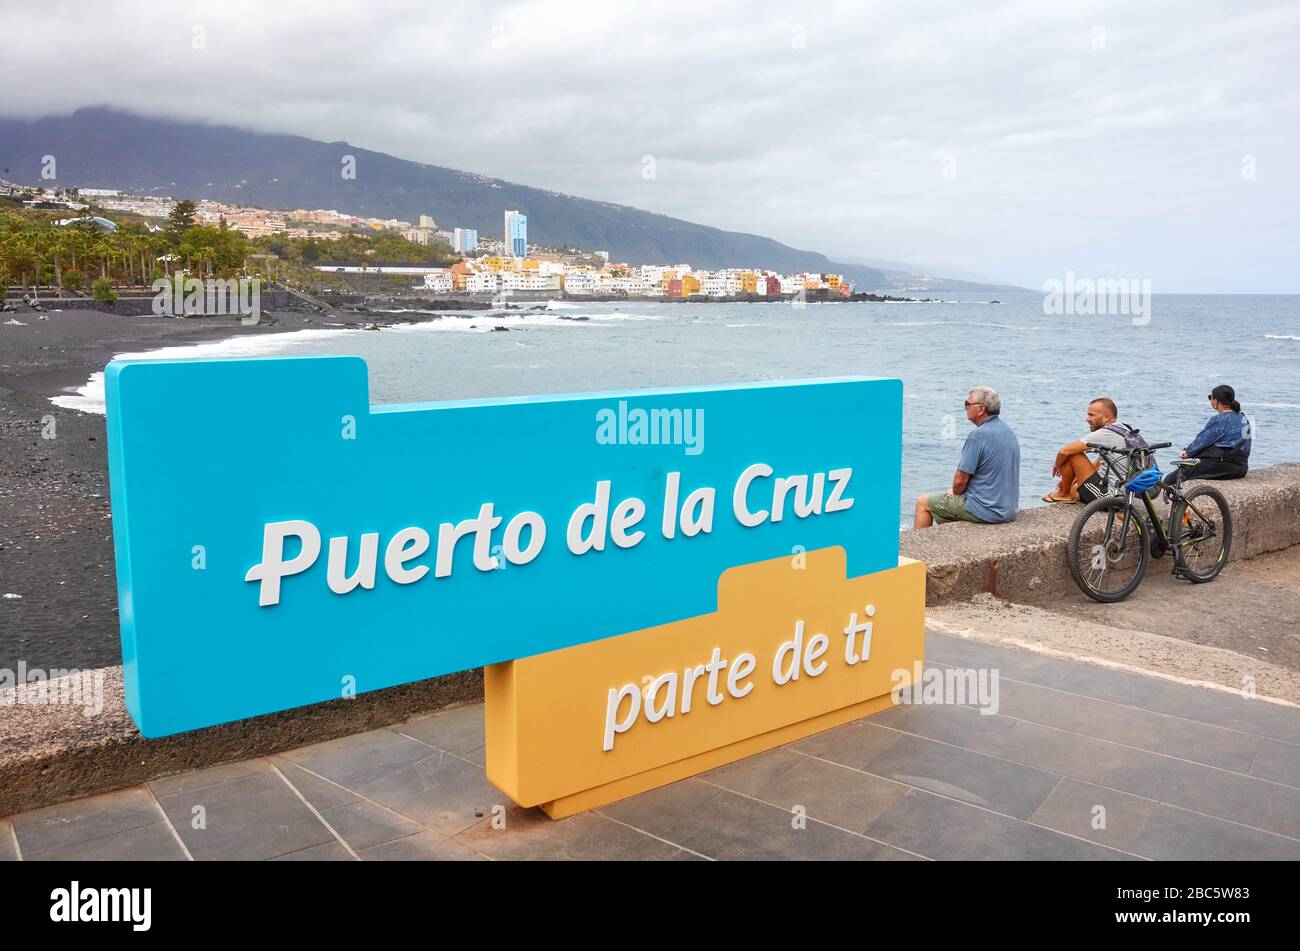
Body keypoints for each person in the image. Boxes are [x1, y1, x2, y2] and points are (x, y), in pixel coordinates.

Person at [914, 386, 1020, 528]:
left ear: (981, 409)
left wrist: (956, 493)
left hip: (987, 510)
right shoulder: (1007, 431)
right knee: (949, 497)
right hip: (1007, 509)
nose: (965, 408)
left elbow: (959, 482)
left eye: (967, 404)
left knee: (923, 503)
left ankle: (921, 549)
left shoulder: (977, 436)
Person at [1043, 397, 1141, 504]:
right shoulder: (1124, 428)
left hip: (1110, 497)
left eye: (1091, 415)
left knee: (1073, 454)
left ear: (1106, 417)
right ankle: (1067, 491)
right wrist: (1077, 477)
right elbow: (1101, 461)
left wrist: (1058, 466)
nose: (1087, 419)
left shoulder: (1105, 433)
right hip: (1124, 493)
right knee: (1074, 487)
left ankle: (1064, 494)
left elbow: (1064, 451)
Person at [1168, 385, 1251, 484]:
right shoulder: (1243, 417)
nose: (1210, 400)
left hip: (1223, 466)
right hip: (1241, 468)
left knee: (1171, 479)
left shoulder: (1219, 419)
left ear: (1215, 401)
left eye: (1210, 397)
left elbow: (1202, 440)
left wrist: (1186, 453)